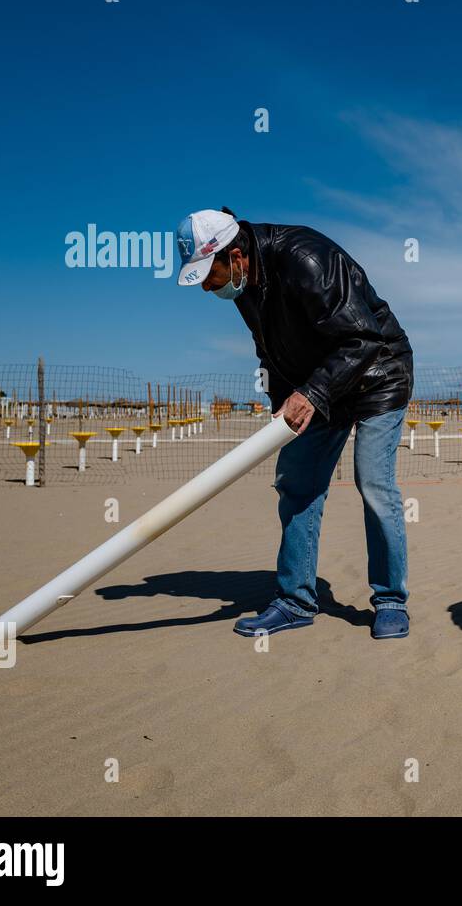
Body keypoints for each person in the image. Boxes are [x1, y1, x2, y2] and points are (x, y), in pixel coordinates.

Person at [175, 208, 414, 639]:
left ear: (236, 255)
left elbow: (363, 338)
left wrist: (312, 393)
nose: (209, 287)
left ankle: (391, 601)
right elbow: (270, 351)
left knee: (374, 484)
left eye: (210, 276)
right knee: (297, 483)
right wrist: (280, 400)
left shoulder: (306, 257)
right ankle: (295, 601)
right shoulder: (244, 286)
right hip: (319, 385)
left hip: (378, 375)